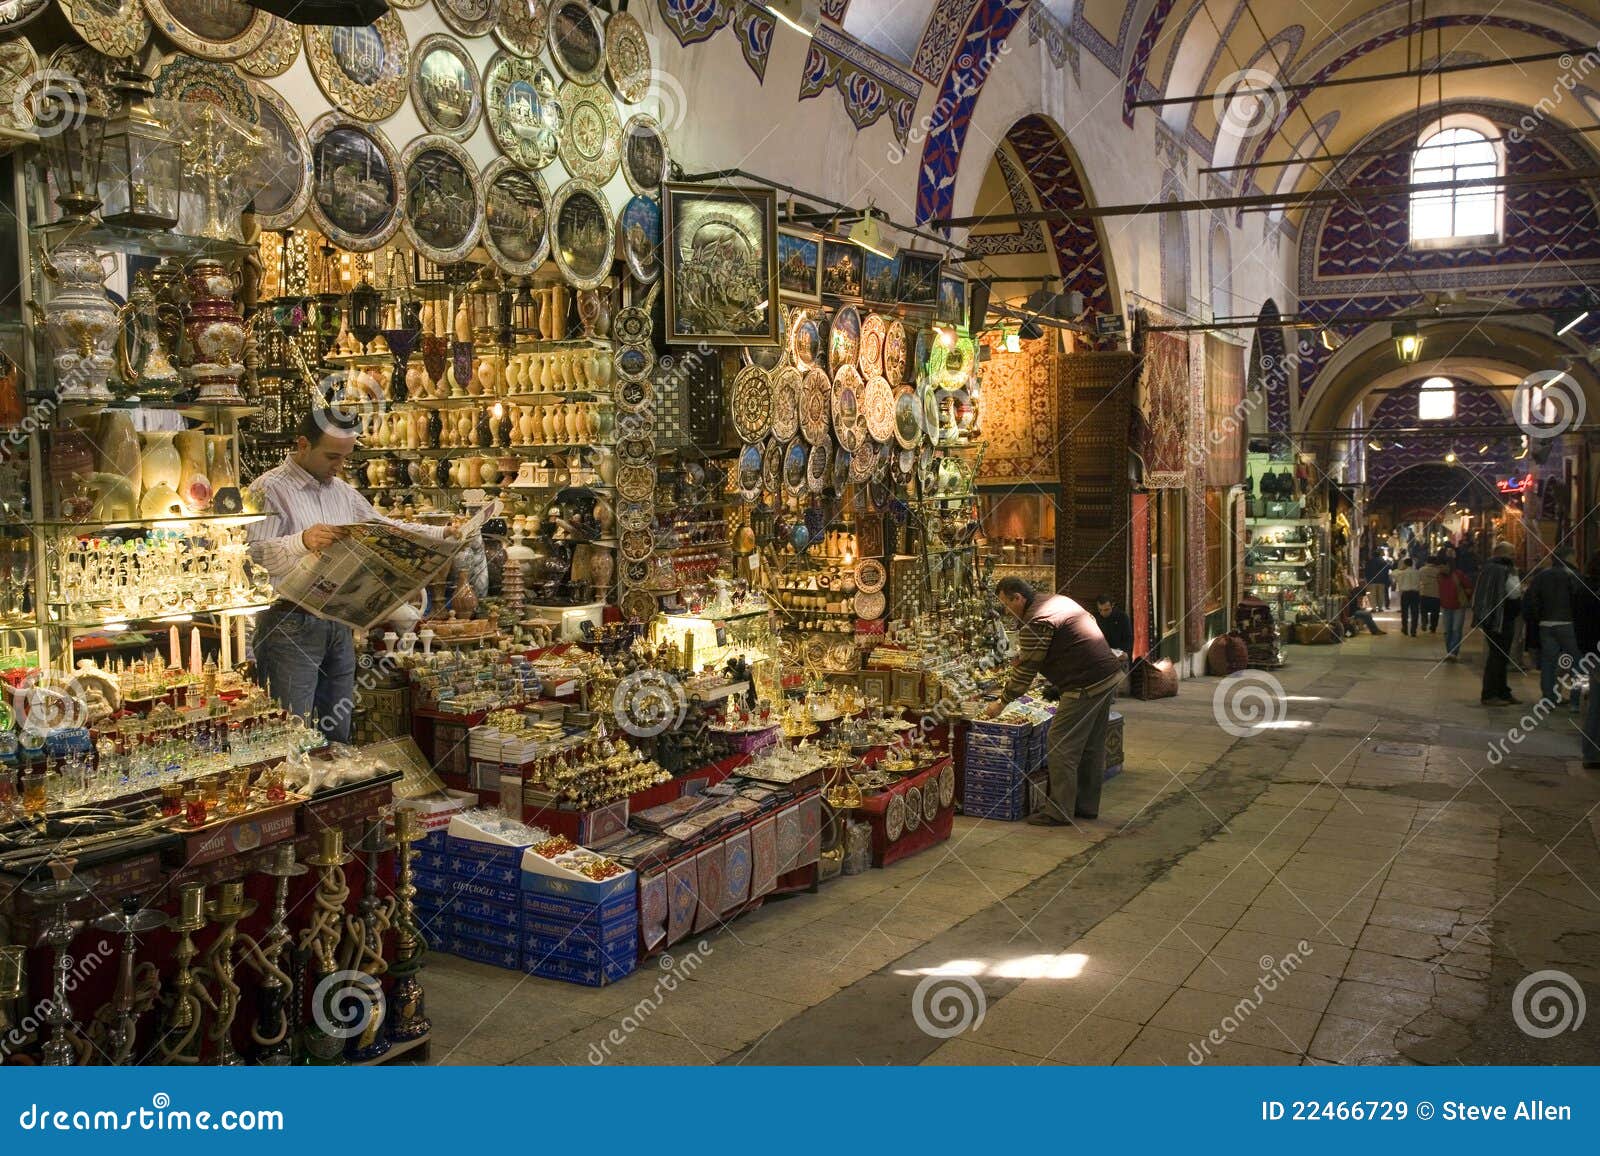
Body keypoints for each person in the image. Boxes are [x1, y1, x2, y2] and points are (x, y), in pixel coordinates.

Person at [246, 410, 463, 741]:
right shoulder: (268, 489)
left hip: (339, 620)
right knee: (292, 728)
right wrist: (301, 541)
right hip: (288, 622)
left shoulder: (342, 491)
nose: (339, 465)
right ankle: (294, 793)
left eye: (345, 457)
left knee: (338, 726)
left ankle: (337, 789)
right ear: (303, 445)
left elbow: (389, 530)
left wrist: (442, 534)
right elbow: (251, 556)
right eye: (332, 456)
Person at [986, 578, 1122, 826]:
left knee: (1060, 743)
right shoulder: (1052, 600)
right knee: (1091, 745)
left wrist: (1001, 701)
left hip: (1085, 684)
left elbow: (1027, 670)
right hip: (1106, 674)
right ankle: (1086, 806)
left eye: (1006, 604)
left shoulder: (1036, 620)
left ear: (1018, 598)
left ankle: (1059, 811)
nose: (1006, 611)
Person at [1524, 545, 1585, 711]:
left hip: (1546, 624)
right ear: (1569, 557)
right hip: (1569, 625)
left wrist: (1539, 617)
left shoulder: (1541, 576)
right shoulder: (1574, 576)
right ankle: (1575, 701)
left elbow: (1531, 600)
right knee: (1578, 664)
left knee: (1548, 664)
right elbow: (1581, 602)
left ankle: (1548, 699)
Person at [1472, 541, 1523, 706]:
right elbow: (1514, 593)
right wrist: (1516, 577)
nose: (1514, 557)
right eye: (1512, 554)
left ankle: (1502, 691)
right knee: (1498, 657)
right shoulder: (1503, 569)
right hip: (1500, 620)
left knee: (1499, 656)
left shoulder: (1488, 568)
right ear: (1502, 554)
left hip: (1491, 618)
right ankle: (1491, 694)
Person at [1574, 552, 1600, 768]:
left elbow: (1580, 626)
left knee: (1595, 705)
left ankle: (1591, 754)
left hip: (1590, 653)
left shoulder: (1583, 590)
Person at [1437, 556, 1473, 661]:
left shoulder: (1458, 574)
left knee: (1456, 629)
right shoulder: (1439, 576)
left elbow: (1469, 588)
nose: (1440, 569)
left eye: (1441, 566)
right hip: (1445, 606)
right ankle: (1450, 652)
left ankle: (1453, 653)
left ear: (1448, 565)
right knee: (1447, 631)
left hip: (1458, 607)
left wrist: (1465, 599)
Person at [1394, 558, 1421, 636]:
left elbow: (1393, 573)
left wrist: (1400, 568)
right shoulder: (1417, 572)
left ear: (1405, 564)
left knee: (1404, 612)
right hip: (1415, 593)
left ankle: (1405, 628)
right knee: (1415, 612)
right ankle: (1413, 631)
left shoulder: (1401, 572)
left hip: (1405, 594)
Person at [1417, 555, 1442, 633]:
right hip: (1436, 594)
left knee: (1423, 610)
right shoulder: (1439, 571)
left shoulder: (1421, 570)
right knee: (1435, 612)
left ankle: (1424, 622)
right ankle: (1433, 627)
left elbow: (1418, 580)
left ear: (1427, 561)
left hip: (1424, 593)